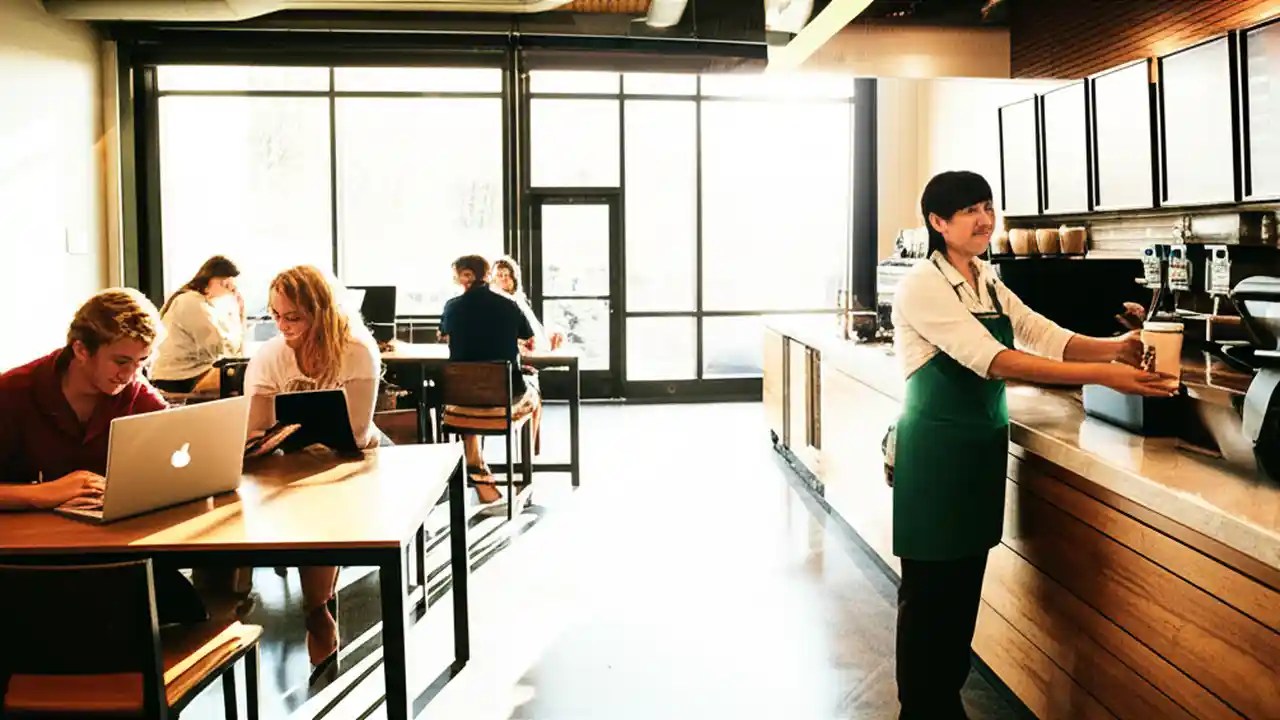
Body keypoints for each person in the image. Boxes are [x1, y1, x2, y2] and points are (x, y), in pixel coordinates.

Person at [890, 171, 1173, 720]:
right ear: (937, 222)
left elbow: (1041, 333)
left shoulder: (986, 278)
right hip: (936, 456)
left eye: (988, 206)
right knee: (929, 596)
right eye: (969, 210)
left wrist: (1114, 348)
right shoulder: (922, 284)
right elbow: (994, 358)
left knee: (962, 591)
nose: (984, 218)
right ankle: (922, 710)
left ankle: (943, 704)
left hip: (978, 450)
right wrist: (1102, 376)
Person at [243, 264, 382, 683]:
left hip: (358, 455)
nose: (283, 326)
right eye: (276, 316)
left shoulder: (356, 349)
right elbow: (254, 428)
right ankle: (313, 607)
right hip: (290, 457)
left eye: (294, 317)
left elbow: (356, 432)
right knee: (295, 504)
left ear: (321, 311)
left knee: (323, 507)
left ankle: (316, 608)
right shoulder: (270, 356)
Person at [0, 288, 167, 510]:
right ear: (81, 350)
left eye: (141, 362)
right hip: (24, 537)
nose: (129, 375)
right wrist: (43, 493)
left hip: (110, 535)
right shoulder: (12, 393)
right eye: (120, 361)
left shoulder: (141, 398)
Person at [440, 255, 541, 505]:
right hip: (505, 398)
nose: (454, 278)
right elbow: (527, 336)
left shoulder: (452, 306)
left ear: (467, 276)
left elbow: (443, 334)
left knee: (469, 406)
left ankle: (480, 475)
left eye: (456, 274)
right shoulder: (508, 305)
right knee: (535, 394)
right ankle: (526, 468)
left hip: (462, 402)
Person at [150, 255, 247, 394]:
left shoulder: (195, 301)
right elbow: (218, 347)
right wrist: (239, 316)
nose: (226, 292)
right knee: (242, 375)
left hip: (180, 374)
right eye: (225, 285)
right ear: (210, 279)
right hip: (179, 377)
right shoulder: (191, 301)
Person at [491, 255, 564, 352]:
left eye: (508, 275)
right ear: (493, 279)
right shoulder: (495, 302)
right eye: (500, 275)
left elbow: (534, 331)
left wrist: (550, 337)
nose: (504, 279)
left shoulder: (520, 300)